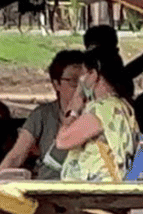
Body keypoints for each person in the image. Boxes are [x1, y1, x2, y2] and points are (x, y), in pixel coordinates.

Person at [0, 50, 85, 180]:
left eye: (85, 81)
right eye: (74, 81)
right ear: (56, 84)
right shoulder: (42, 115)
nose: (81, 88)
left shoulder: (97, 113)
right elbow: (16, 156)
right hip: (48, 187)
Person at [54, 47, 137, 182]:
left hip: (93, 188)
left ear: (94, 74)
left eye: (84, 74)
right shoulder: (124, 107)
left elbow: (62, 141)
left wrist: (75, 104)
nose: (81, 81)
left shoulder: (101, 109)